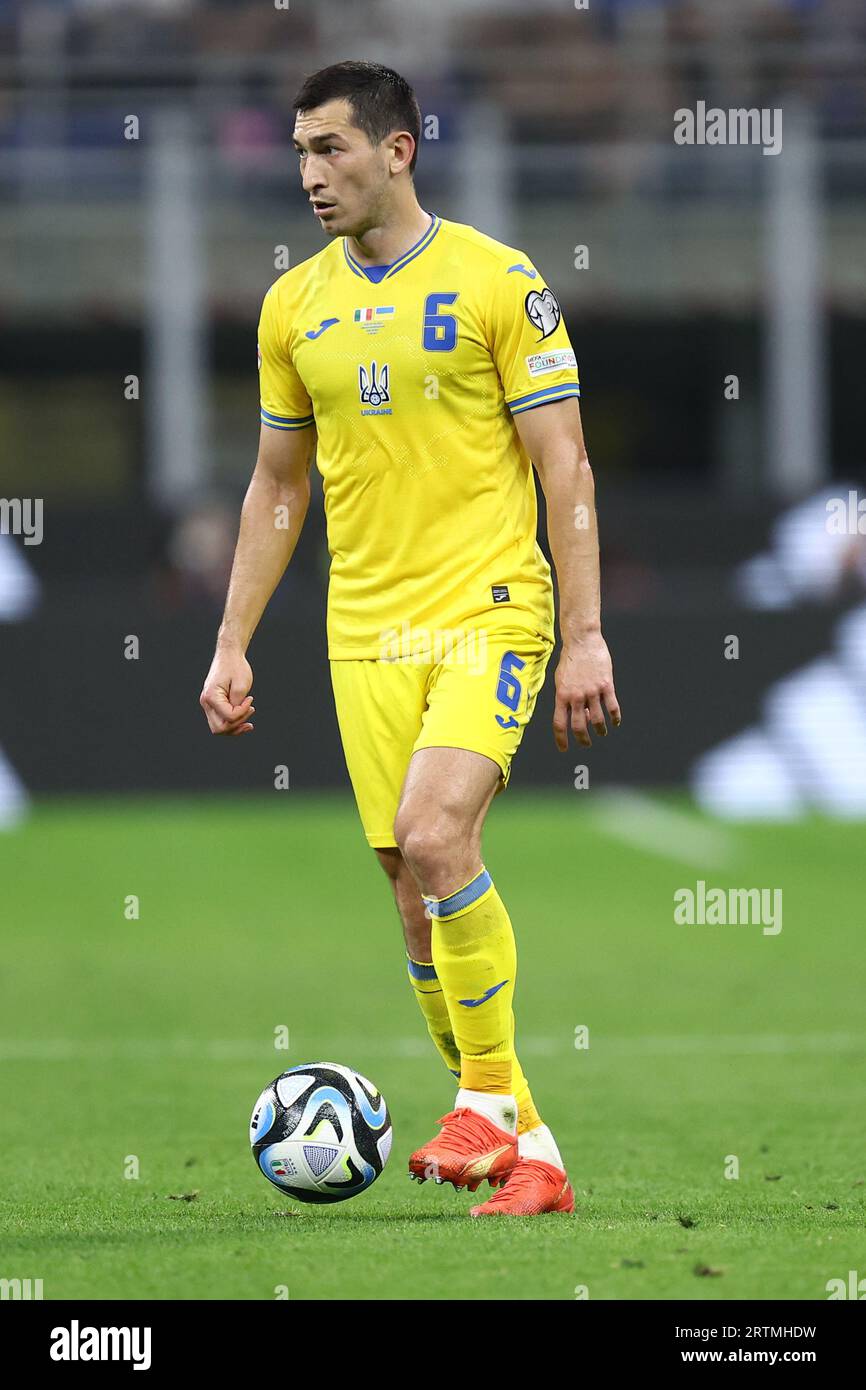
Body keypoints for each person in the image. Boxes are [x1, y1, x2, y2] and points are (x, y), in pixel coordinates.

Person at [200, 60, 621, 1216]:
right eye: (297, 152)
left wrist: (581, 633)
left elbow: (564, 466)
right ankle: (530, 1150)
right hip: (363, 628)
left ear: (398, 149)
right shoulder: (295, 307)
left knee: (437, 832)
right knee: (407, 881)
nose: (307, 175)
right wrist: (232, 640)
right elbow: (277, 486)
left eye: (329, 149)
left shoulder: (498, 280)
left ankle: (481, 1100)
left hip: (487, 604)